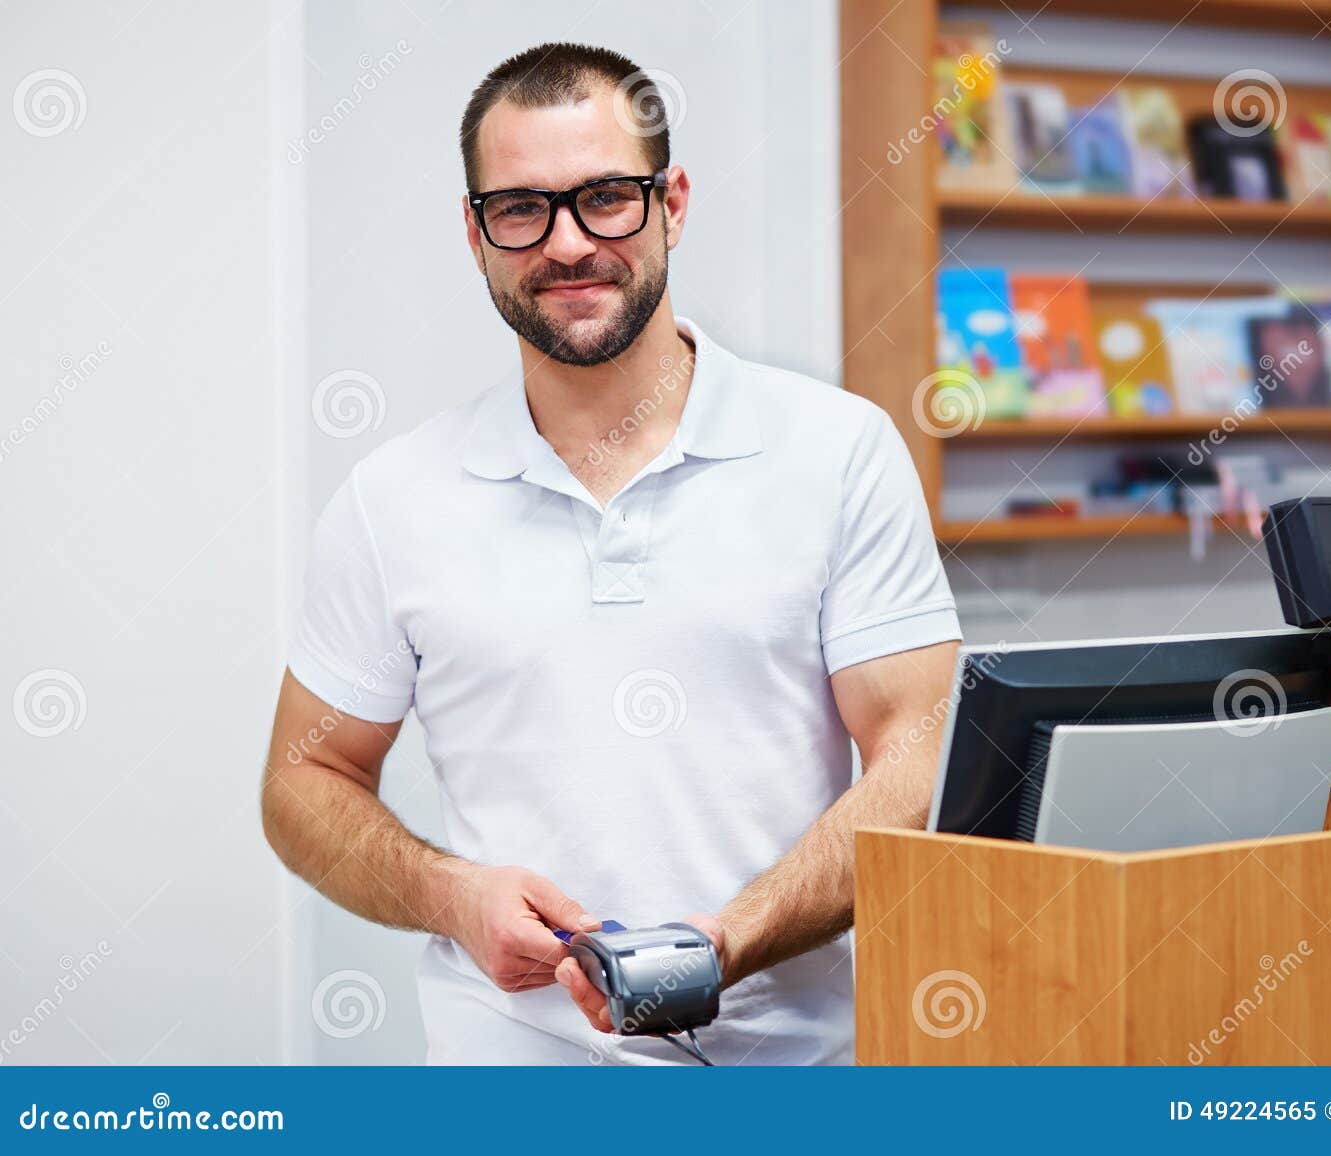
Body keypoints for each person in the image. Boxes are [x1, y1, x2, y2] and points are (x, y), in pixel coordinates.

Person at [260, 41, 961, 1065]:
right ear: (476, 233)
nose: (568, 242)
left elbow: (922, 749)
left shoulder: (837, 452)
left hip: (797, 1075)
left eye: (606, 198)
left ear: (672, 202)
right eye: (521, 208)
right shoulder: (393, 498)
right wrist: (452, 896)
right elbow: (302, 779)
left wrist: (731, 940)